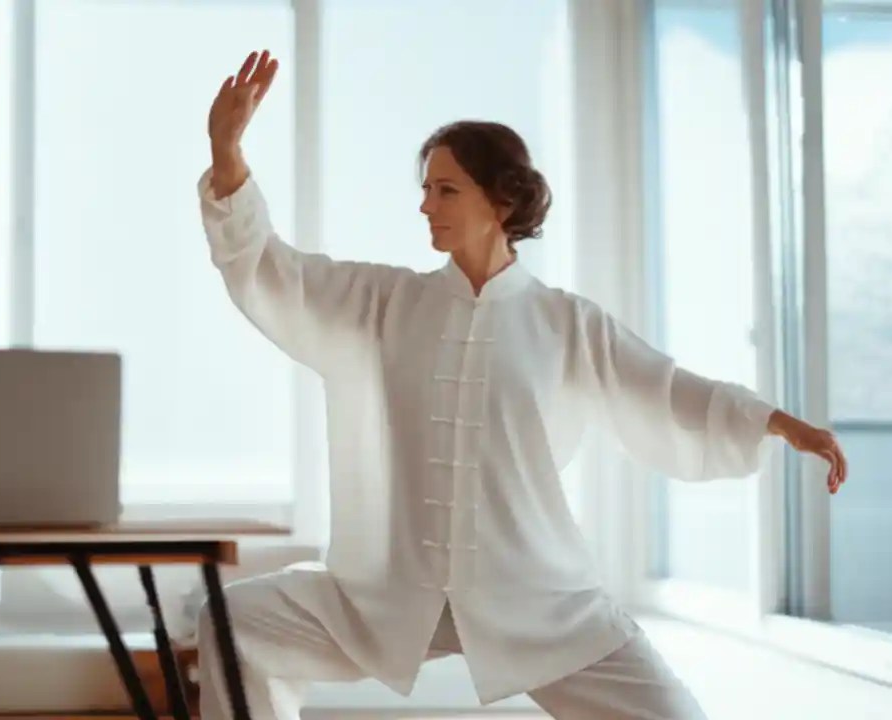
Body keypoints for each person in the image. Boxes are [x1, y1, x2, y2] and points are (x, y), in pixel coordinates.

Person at [194, 49, 848, 720]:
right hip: (387, 594)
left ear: (500, 199)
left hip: (536, 602)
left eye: (445, 189)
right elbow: (274, 270)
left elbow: (667, 389)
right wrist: (228, 150)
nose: (425, 205)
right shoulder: (383, 303)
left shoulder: (565, 324)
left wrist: (775, 420)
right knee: (230, 619)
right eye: (425, 188)